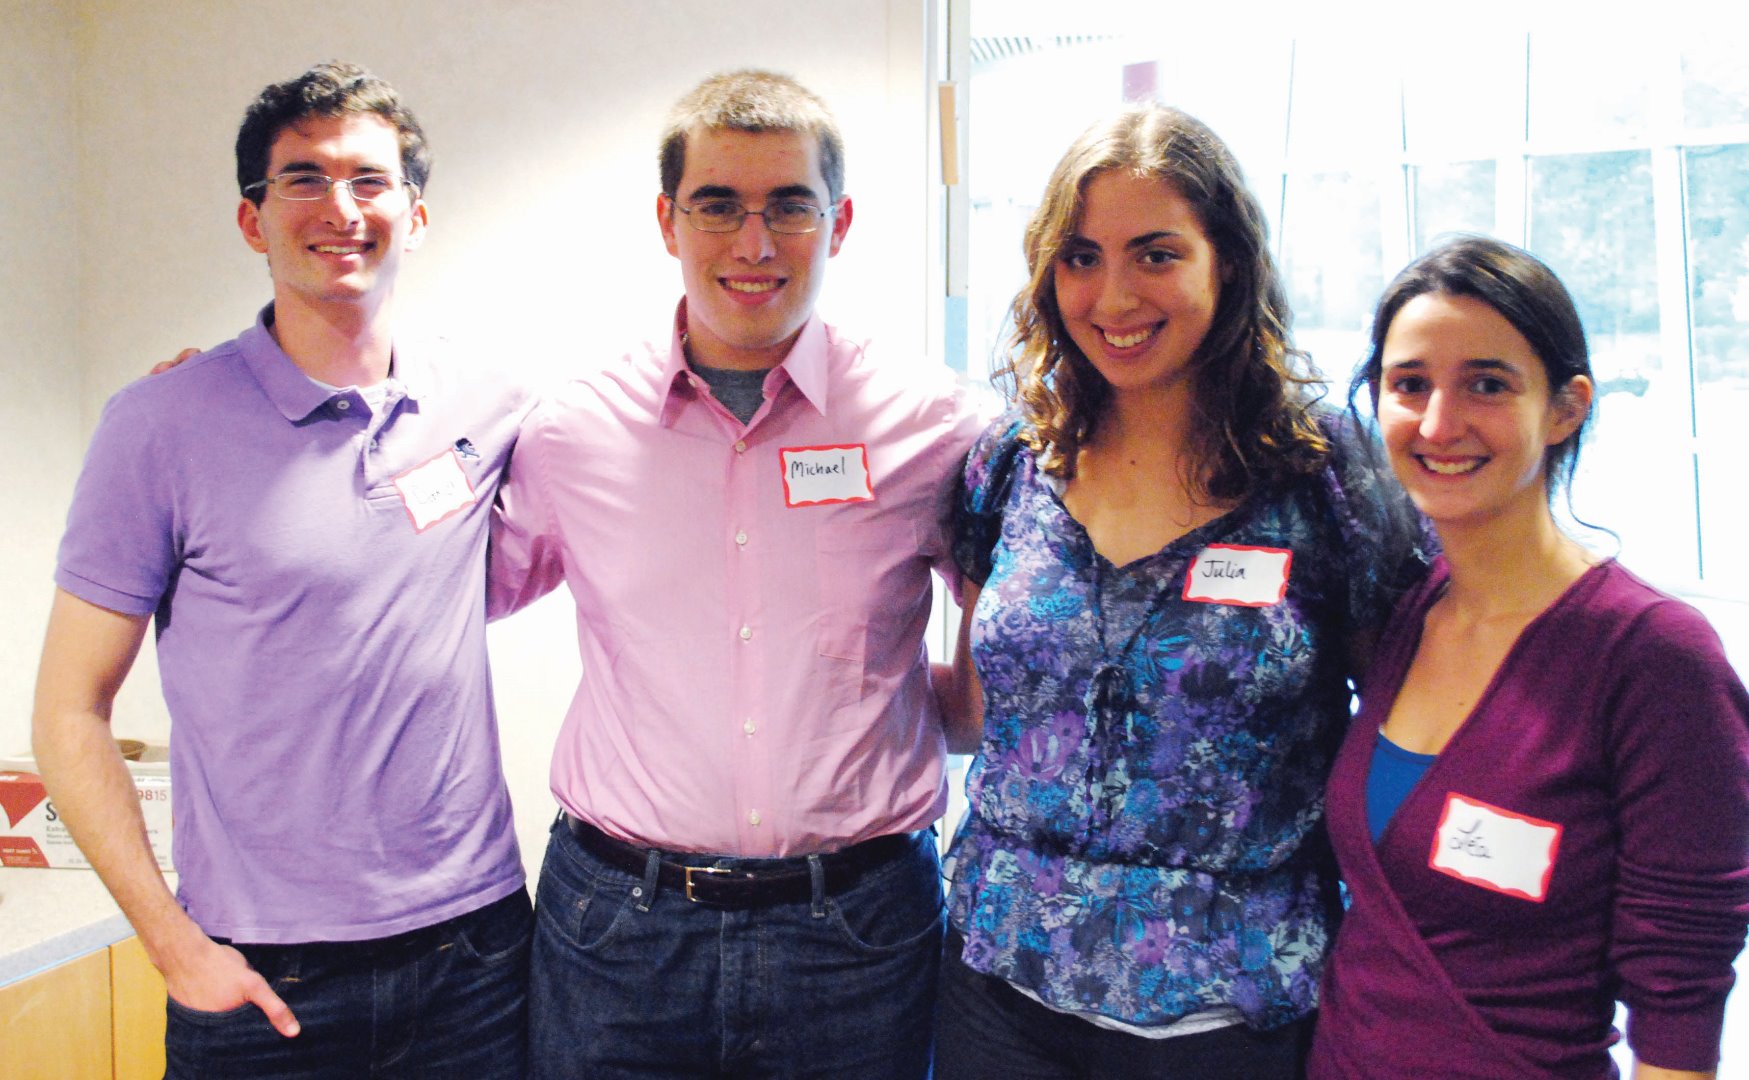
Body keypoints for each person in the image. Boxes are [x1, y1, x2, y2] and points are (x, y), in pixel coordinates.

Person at [32, 62, 532, 1078]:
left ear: (417, 214)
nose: (339, 209)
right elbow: (67, 714)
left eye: (369, 181)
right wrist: (175, 949)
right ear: (251, 220)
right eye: (301, 180)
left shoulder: (489, 406)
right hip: (260, 985)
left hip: (476, 959)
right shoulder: (160, 425)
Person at [487, 70, 988, 1079]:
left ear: (838, 222)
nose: (753, 245)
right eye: (718, 206)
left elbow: (1012, 649)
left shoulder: (937, 429)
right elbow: (416, 592)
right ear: (668, 221)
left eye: (789, 207)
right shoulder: (571, 434)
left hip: (858, 935)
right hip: (621, 936)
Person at [934, 103, 1431, 1078]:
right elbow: (975, 706)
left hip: (1230, 1013)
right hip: (1000, 988)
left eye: (1155, 254)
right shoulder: (1011, 462)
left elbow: (1399, 729)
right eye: (1079, 258)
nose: (1113, 295)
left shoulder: (1324, 470)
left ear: (1228, 262)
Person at [1307, 237, 1749, 1079]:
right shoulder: (1410, 615)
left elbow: (1679, 1007)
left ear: (1565, 407)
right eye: (1409, 385)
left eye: (1485, 384)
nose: (1438, 423)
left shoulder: (1652, 659)